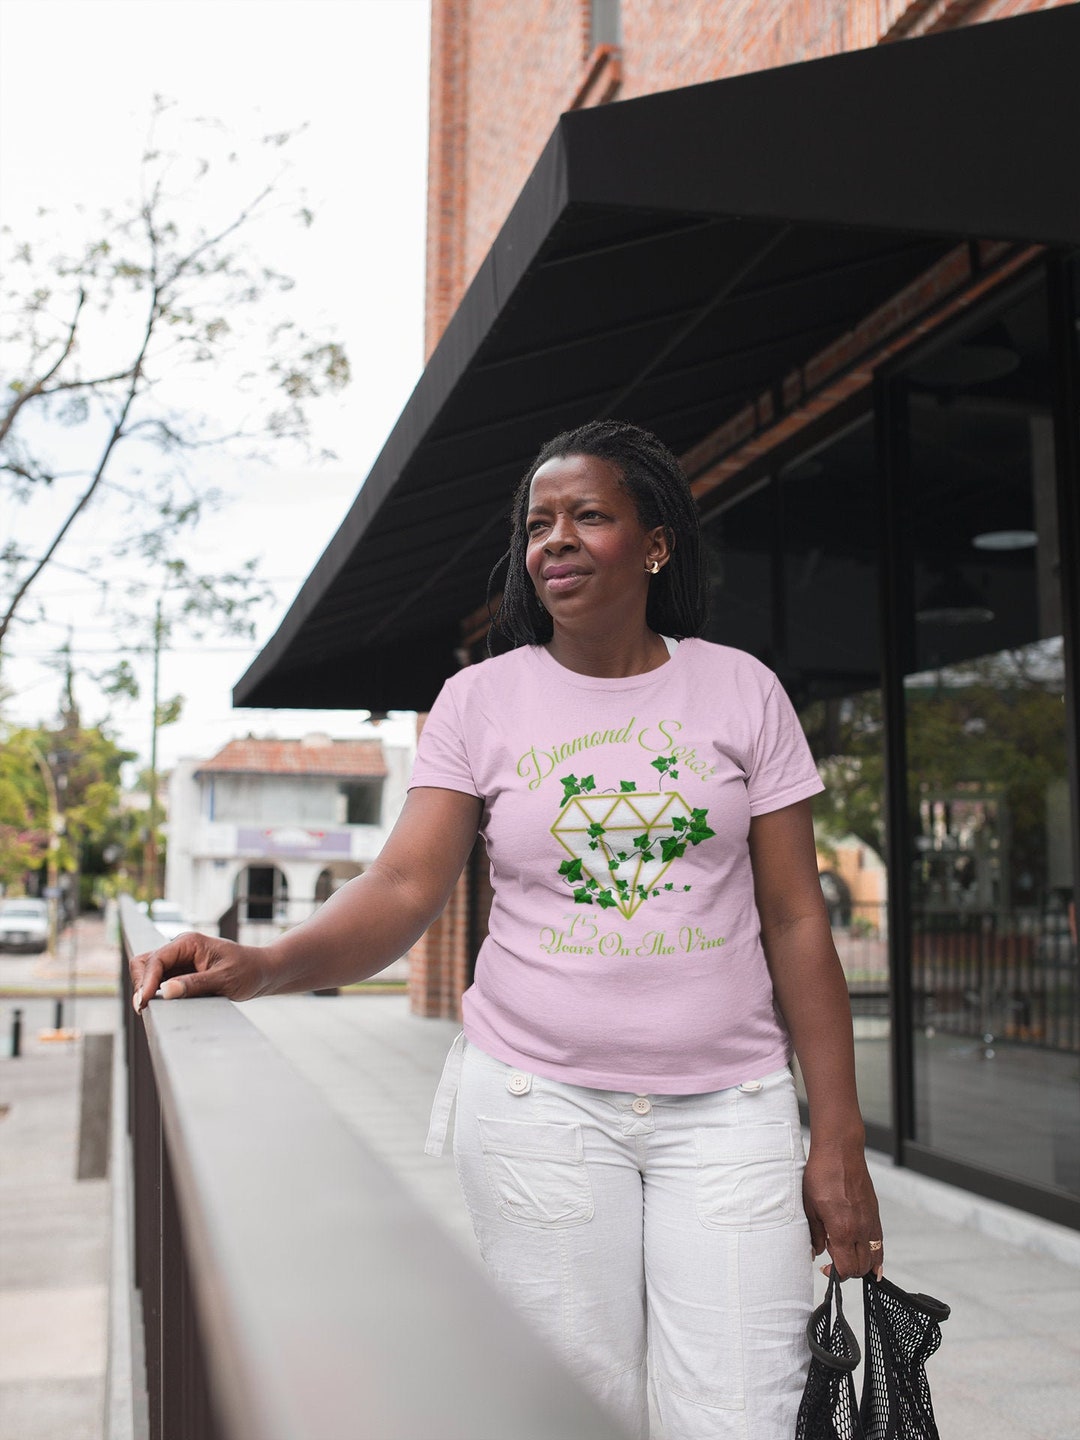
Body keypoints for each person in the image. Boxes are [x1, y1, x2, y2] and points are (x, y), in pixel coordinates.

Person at [131, 420, 883, 1440]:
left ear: (656, 544)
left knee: (745, 1412)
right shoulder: (480, 700)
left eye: (587, 516)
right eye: (539, 524)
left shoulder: (741, 690)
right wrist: (262, 965)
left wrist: (836, 1133)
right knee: (573, 1409)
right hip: (542, 1107)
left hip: (733, 1109)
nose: (554, 541)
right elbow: (402, 886)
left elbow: (797, 918)